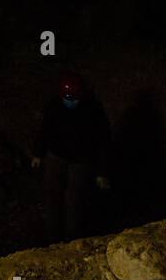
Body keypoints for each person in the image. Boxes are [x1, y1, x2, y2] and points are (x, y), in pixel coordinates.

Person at [31, 70, 111, 242]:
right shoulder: (54, 106)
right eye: (68, 97)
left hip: (81, 162)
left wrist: (102, 172)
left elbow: (103, 142)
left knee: (74, 200)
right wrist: (38, 153)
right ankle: (52, 238)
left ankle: (72, 240)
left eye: (74, 98)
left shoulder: (93, 110)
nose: (71, 101)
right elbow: (44, 130)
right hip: (56, 157)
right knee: (52, 196)